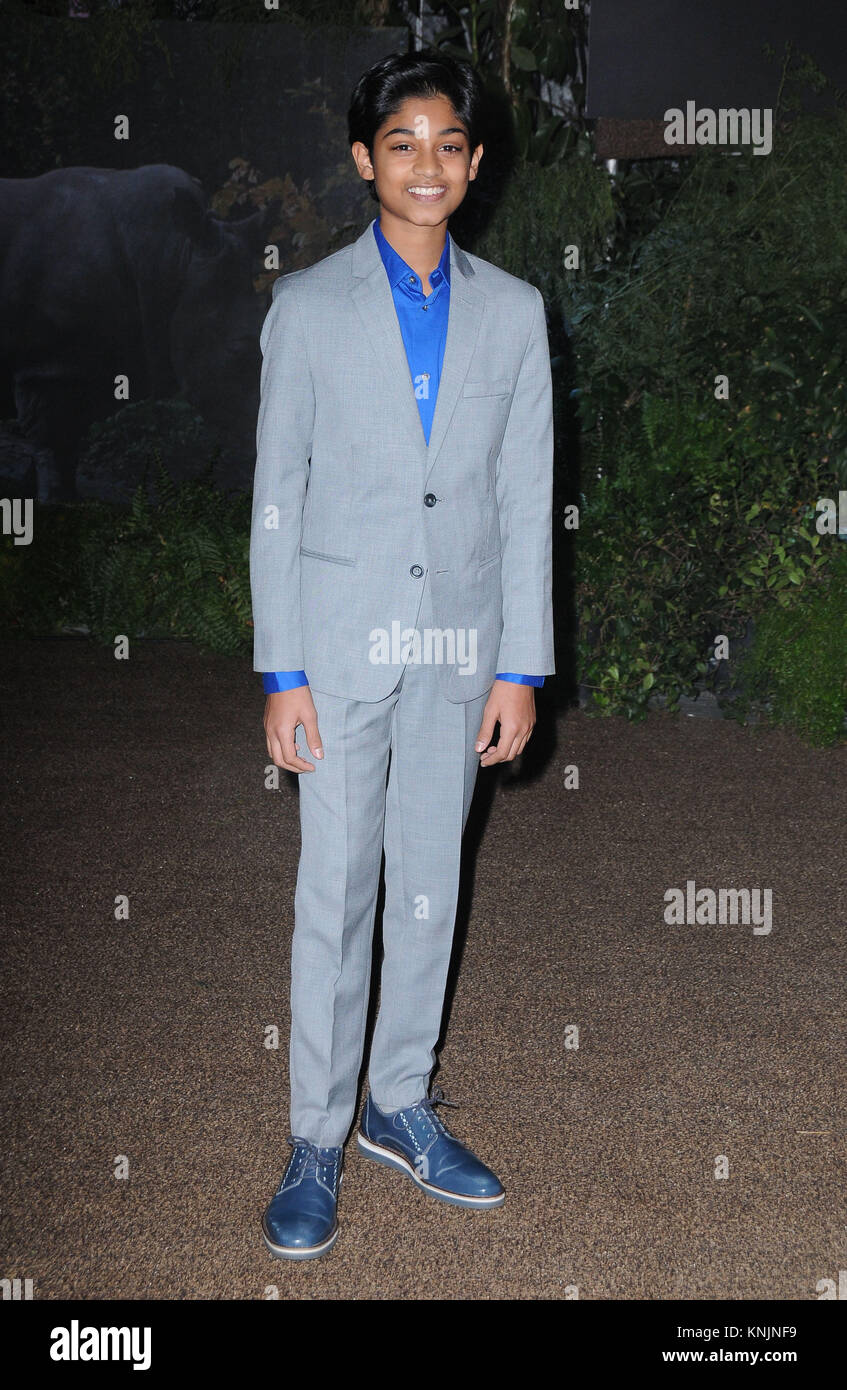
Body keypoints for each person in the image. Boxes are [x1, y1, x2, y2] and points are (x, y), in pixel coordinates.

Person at [249, 47, 554, 1260]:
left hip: (461, 653)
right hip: (336, 653)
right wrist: (281, 672)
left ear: (475, 165)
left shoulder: (518, 313)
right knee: (338, 891)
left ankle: (398, 1104)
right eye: (401, 142)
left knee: (432, 881)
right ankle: (316, 1133)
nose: (425, 163)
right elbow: (278, 497)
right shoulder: (308, 306)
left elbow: (526, 499)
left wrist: (522, 665)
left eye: (447, 144)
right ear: (364, 159)